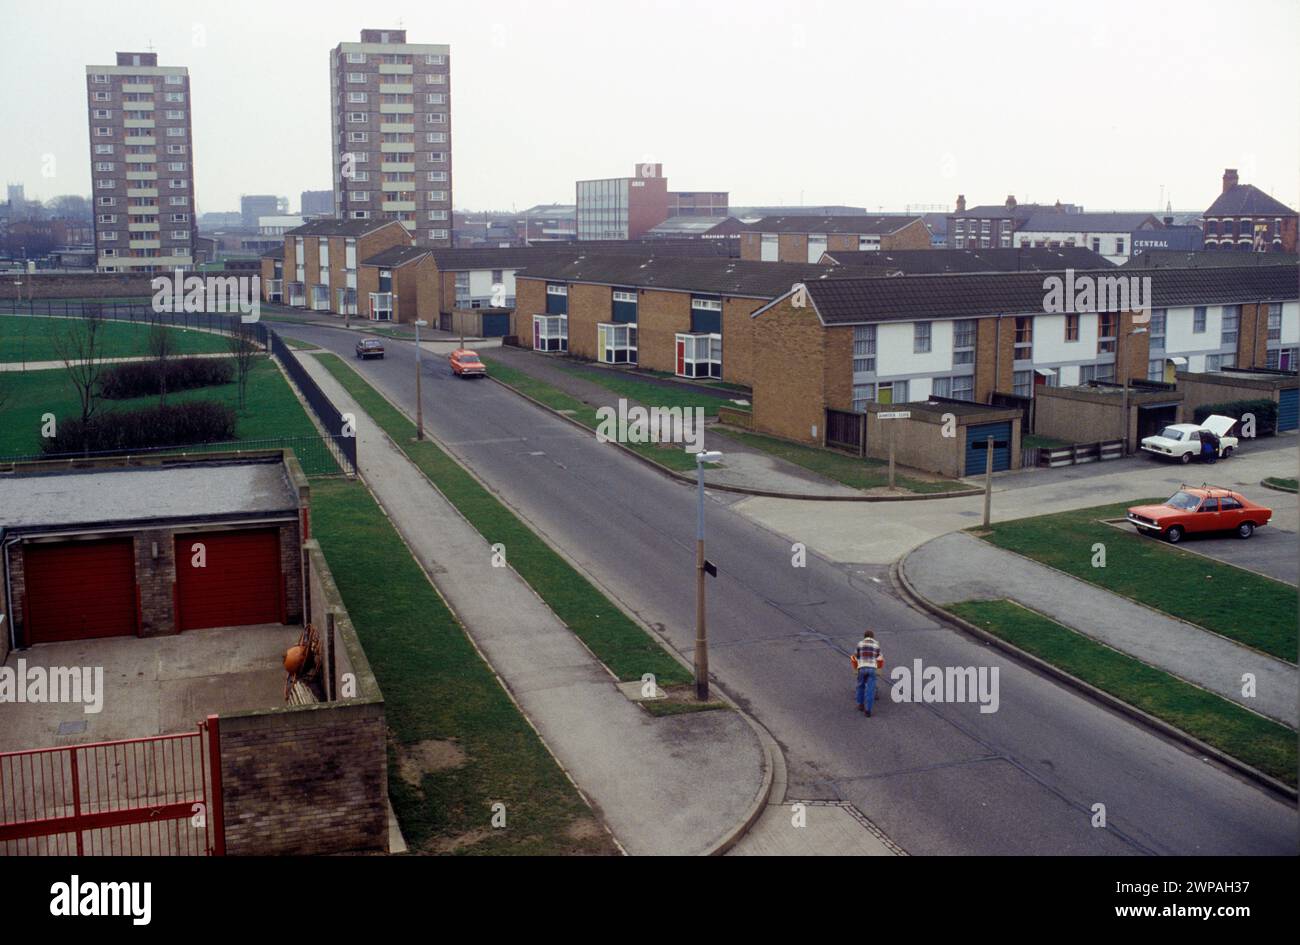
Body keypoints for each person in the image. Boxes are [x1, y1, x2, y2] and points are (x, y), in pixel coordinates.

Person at [852, 630, 882, 717]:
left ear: (864, 636)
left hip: (862, 667)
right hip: (872, 668)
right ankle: (868, 710)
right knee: (870, 689)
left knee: (860, 685)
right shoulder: (876, 644)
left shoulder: (860, 644)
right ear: (872, 637)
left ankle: (861, 704)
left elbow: (855, 655)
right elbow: (879, 657)